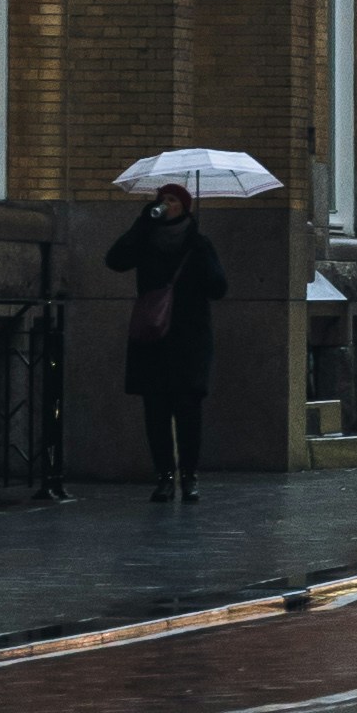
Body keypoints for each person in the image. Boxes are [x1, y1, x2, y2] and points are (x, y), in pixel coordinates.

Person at [107, 191, 231, 507]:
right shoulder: (145, 239)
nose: (166, 204)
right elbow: (115, 260)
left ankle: (189, 476)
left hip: (189, 340)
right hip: (153, 338)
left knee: (188, 411)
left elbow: (219, 288)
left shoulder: (199, 244)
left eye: (173, 200)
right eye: (162, 199)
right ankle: (164, 477)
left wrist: (201, 258)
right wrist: (141, 223)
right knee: (156, 412)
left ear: (185, 208)